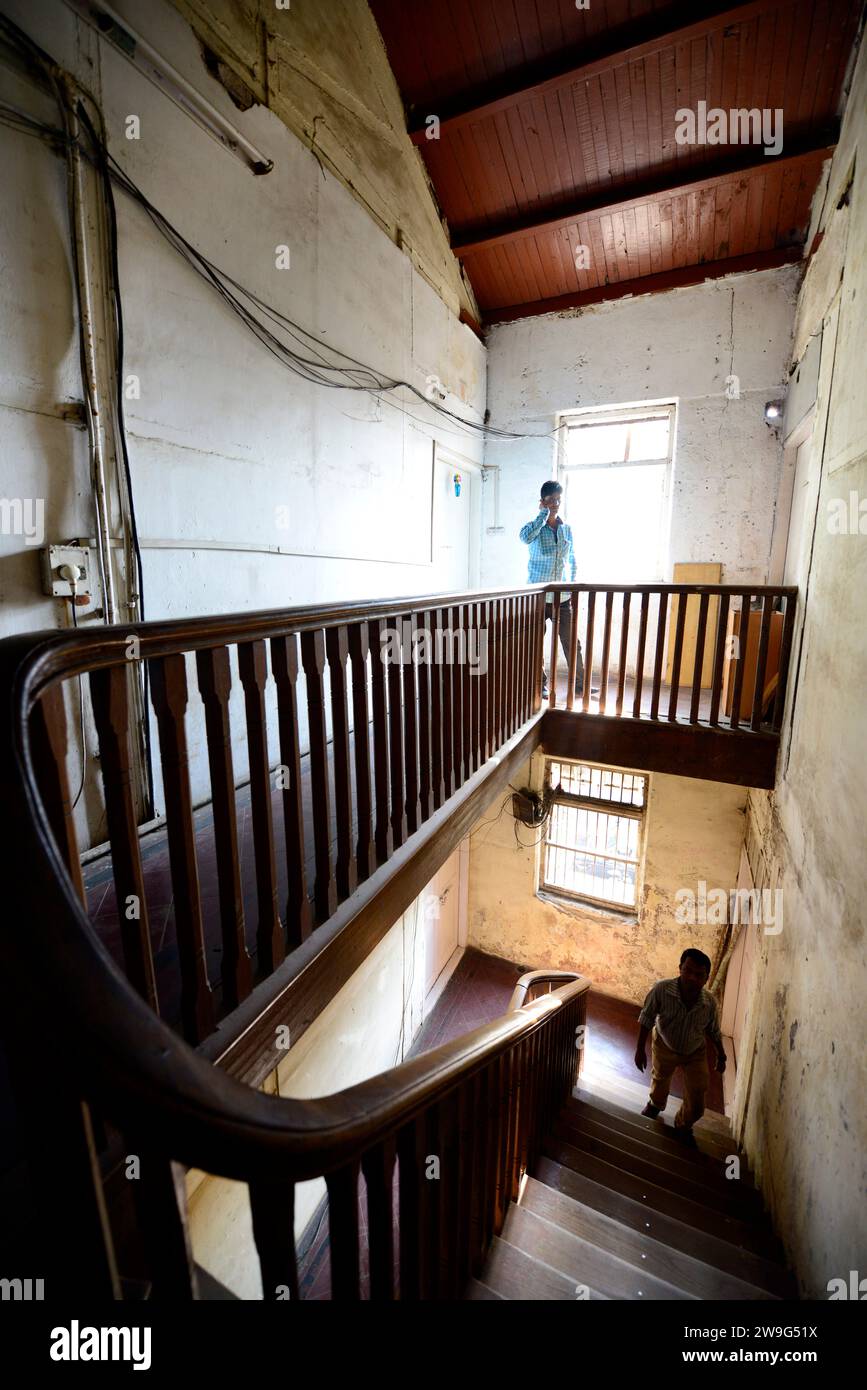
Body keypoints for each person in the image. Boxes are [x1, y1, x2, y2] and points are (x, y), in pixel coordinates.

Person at [634, 948, 726, 1147]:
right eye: (688, 970)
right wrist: (640, 1048)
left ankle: (683, 1124)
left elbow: (713, 1030)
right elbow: (647, 1017)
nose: (692, 978)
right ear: (680, 969)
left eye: (699, 975)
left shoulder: (709, 1003)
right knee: (660, 1078)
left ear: (706, 979)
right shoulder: (661, 990)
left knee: (698, 1094)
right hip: (665, 1044)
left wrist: (721, 1054)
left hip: (695, 1052)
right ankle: (655, 1105)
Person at [519, 481, 588, 699]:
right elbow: (524, 538)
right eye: (550, 500)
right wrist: (542, 515)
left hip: (563, 597)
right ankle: (541, 685)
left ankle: (580, 684)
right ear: (542, 501)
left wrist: (574, 586)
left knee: (571, 642)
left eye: (558, 499)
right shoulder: (534, 528)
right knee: (536, 644)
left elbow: (572, 559)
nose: (555, 504)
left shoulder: (566, 529)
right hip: (539, 598)